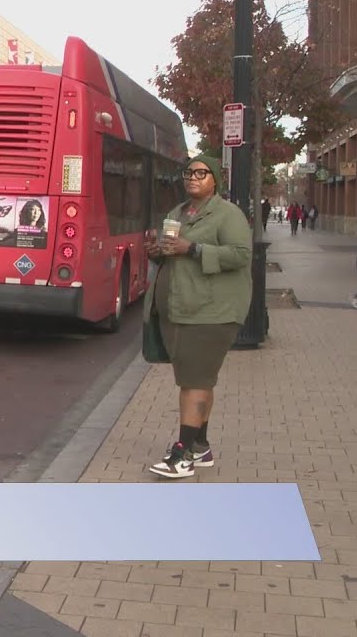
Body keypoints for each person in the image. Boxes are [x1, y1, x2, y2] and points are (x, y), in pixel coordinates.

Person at [143, 155, 253, 479]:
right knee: (197, 379)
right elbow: (172, 253)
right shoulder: (177, 213)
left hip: (210, 312)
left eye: (201, 173)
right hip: (179, 309)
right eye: (188, 172)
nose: (192, 177)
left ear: (215, 179)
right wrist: (157, 251)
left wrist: (192, 249)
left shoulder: (228, 214)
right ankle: (200, 446)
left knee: (194, 382)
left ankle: (183, 454)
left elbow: (241, 255)